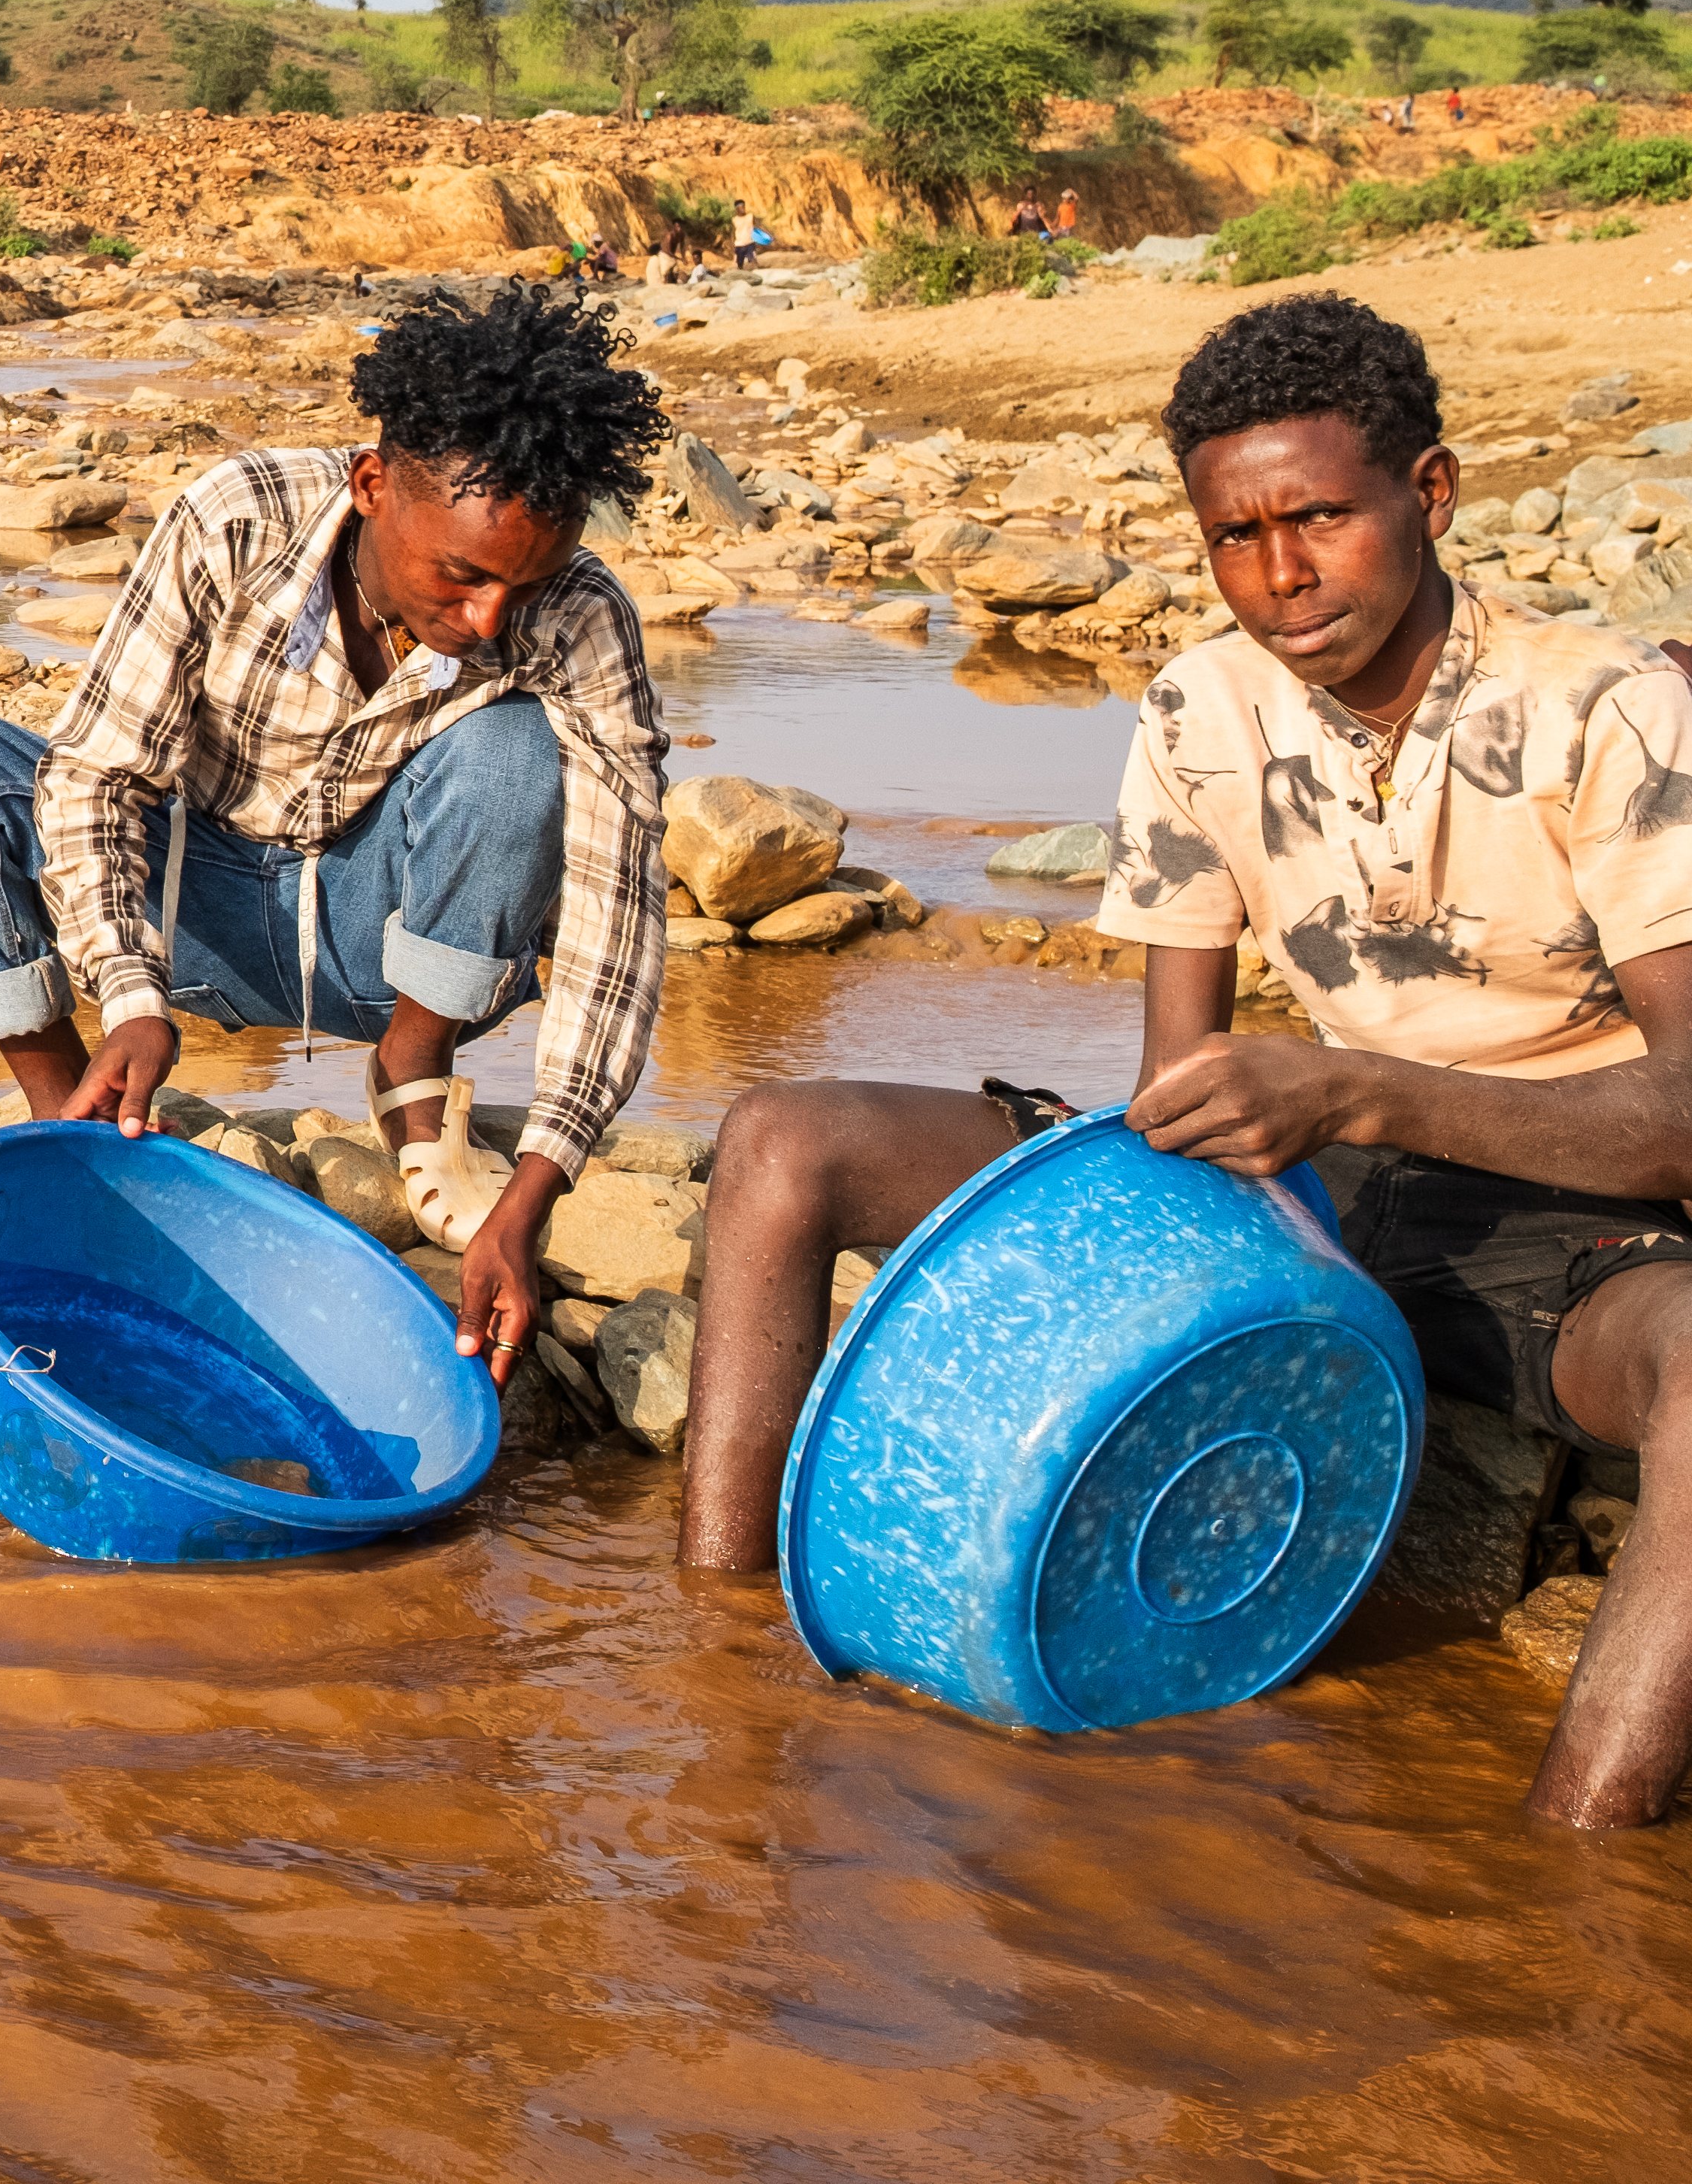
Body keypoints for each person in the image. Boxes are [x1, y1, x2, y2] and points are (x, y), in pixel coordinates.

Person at [680, 295, 1692, 1828]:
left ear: (1431, 491)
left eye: (1320, 519)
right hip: (1299, 1190)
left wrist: (1356, 1088)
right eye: (1235, 536)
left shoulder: (1604, 703)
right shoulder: (1202, 707)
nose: (1279, 579)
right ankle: (713, 1671)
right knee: (779, 1141)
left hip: (1564, 1206)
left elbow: (1682, 1115)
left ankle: (1575, 1858)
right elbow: (1182, 1070)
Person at [0, 287, 677, 1384]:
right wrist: (131, 996)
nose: (489, 619)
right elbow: (101, 771)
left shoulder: (576, 616)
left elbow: (618, 913)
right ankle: (77, 1123)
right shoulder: (237, 517)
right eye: (463, 574)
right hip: (193, 914)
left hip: (381, 943)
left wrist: (535, 1188)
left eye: (518, 587)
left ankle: (413, 1074)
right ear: (374, 486)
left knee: (516, 747)